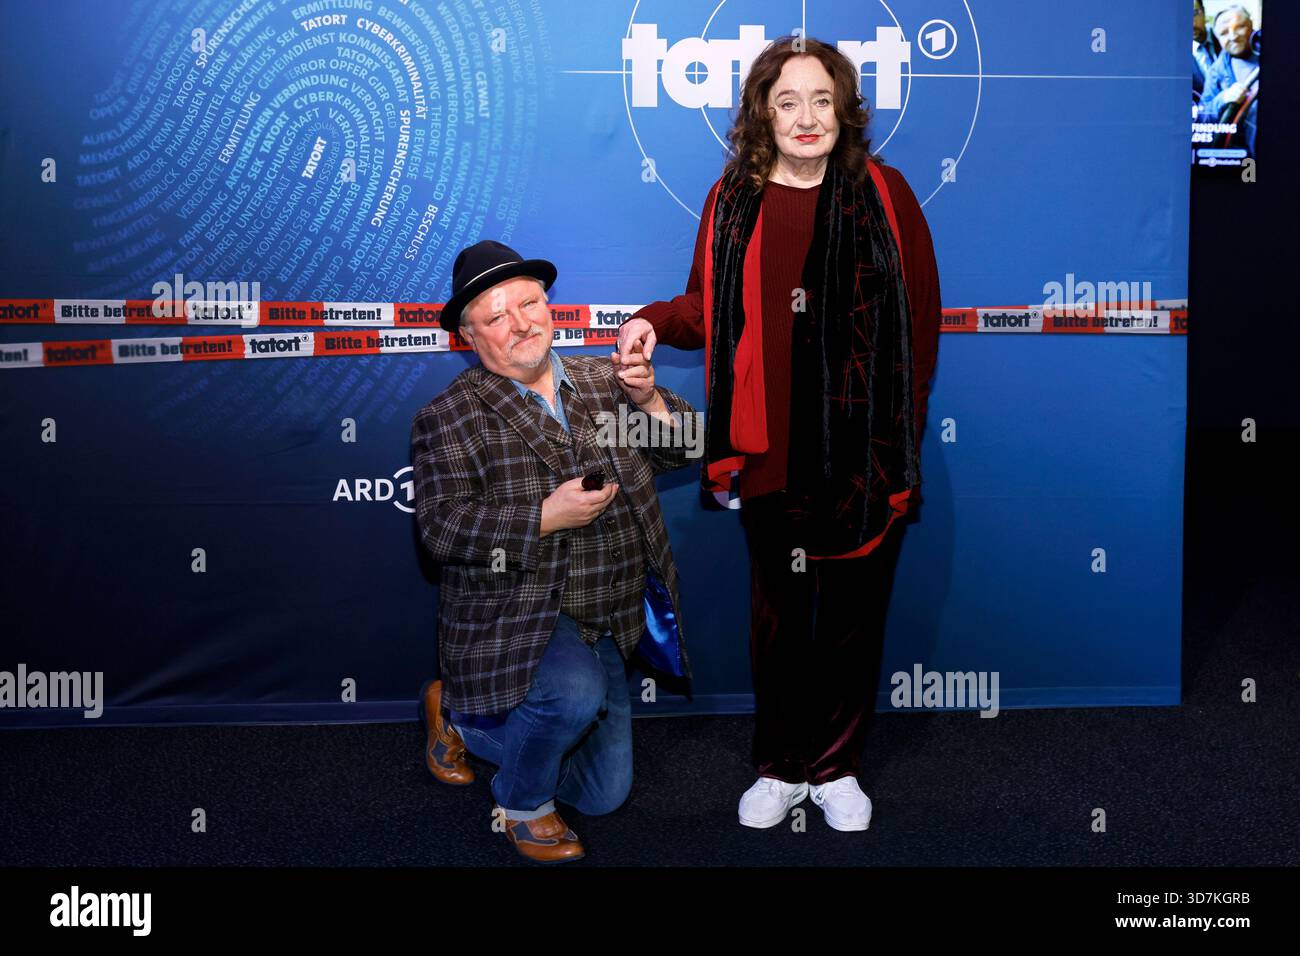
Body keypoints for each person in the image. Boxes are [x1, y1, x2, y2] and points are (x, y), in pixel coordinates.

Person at [617, 36, 941, 832]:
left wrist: (894, 440)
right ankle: (780, 764)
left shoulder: (887, 195)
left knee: (851, 618)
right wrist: (651, 322)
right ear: (763, 113)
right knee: (780, 617)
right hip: (767, 453)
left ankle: (835, 769)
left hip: (864, 455)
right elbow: (705, 309)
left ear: (844, 112)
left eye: (821, 101)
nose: (806, 117)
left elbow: (919, 329)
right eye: (787, 101)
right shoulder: (733, 200)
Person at [412, 239, 696, 863]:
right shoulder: (450, 417)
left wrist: (650, 402)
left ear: (549, 306)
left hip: (611, 614)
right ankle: (521, 804)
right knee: (570, 694)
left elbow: (687, 448)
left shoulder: (606, 381)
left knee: (602, 795)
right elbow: (440, 530)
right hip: (519, 609)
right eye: (495, 317)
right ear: (469, 336)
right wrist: (543, 517)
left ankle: (462, 720)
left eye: (530, 303)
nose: (520, 324)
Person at [1196, 4, 1259, 157]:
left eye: (1240, 27)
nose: (1233, 36)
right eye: (1224, 33)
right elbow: (1202, 118)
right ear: (1218, 38)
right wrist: (1223, 99)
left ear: (1252, 25)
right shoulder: (1216, 72)